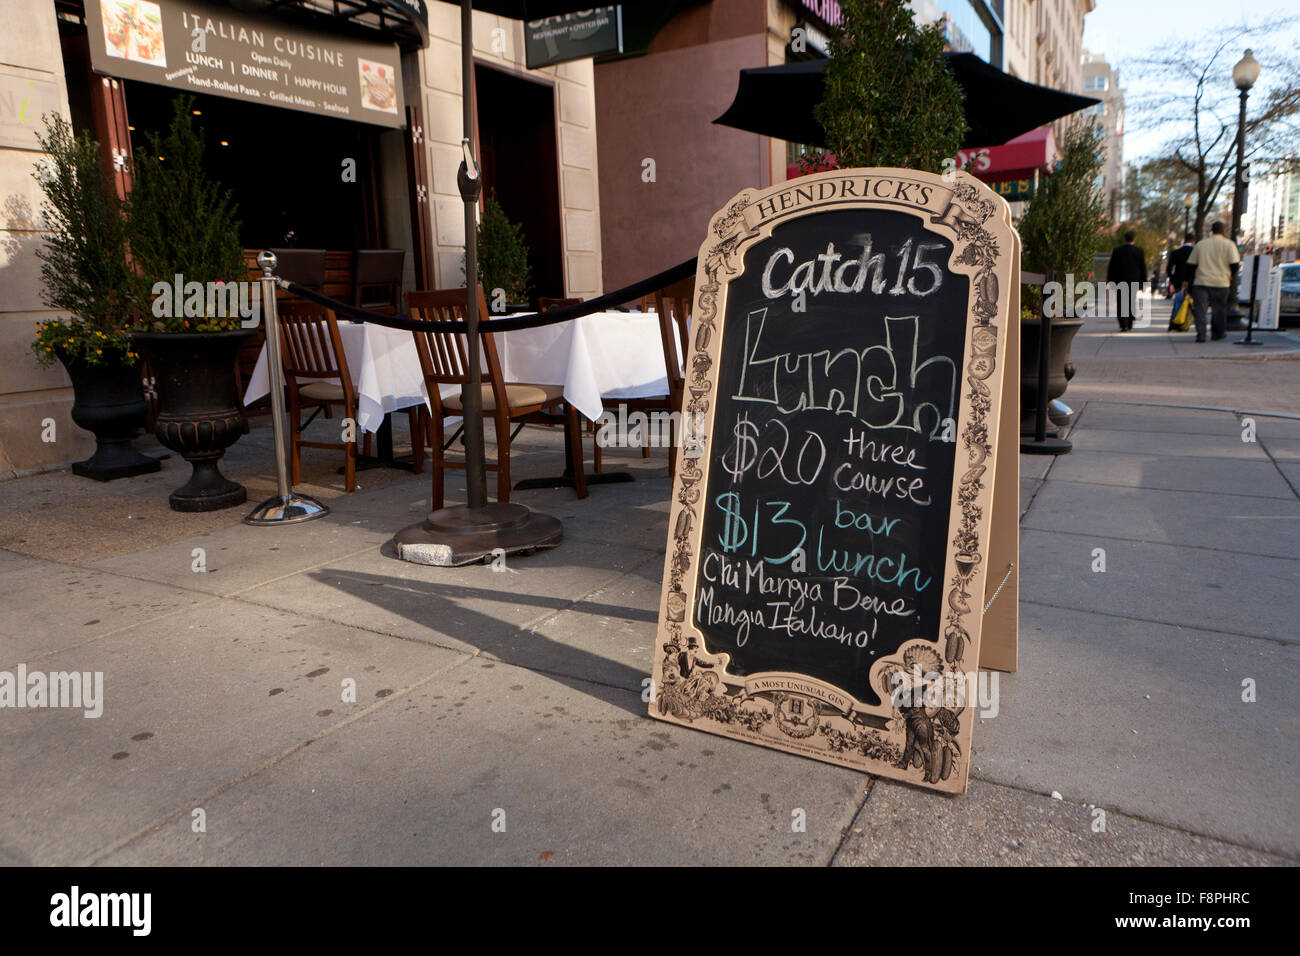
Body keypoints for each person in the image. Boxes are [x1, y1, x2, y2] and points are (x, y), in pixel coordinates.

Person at [1186, 221, 1241, 342]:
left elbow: (1191, 265)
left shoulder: (1201, 244)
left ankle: (1201, 334)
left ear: (1212, 230)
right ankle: (1217, 333)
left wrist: (1189, 280)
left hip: (1201, 281)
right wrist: (1229, 275)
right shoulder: (1229, 244)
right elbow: (1235, 265)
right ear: (1224, 231)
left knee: (1200, 310)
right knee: (1219, 309)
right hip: (1221, 282)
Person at [1106, 229, 1146, 331]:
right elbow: (1143, 268)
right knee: (1131, 301)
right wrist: (1143, 283)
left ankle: (1122, 322)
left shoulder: (1117, 250)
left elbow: (1112, 267)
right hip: (1134, 281)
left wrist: (1110, 281)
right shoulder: (1139, 251)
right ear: (1134, 239)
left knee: (1120, 301)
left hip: (1120, 281)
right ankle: (1130, 321)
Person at [1167, 232, 1196, 330]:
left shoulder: (1176, 253)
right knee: (1190, 303)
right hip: (1192, 281)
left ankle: (1175, 322)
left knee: (1178, 301)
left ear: (1184, 240)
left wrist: (1173, 279)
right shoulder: (1195, 252)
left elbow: (1169, 269)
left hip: (1178, 281)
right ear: (1193, 241)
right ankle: (1185, 323)